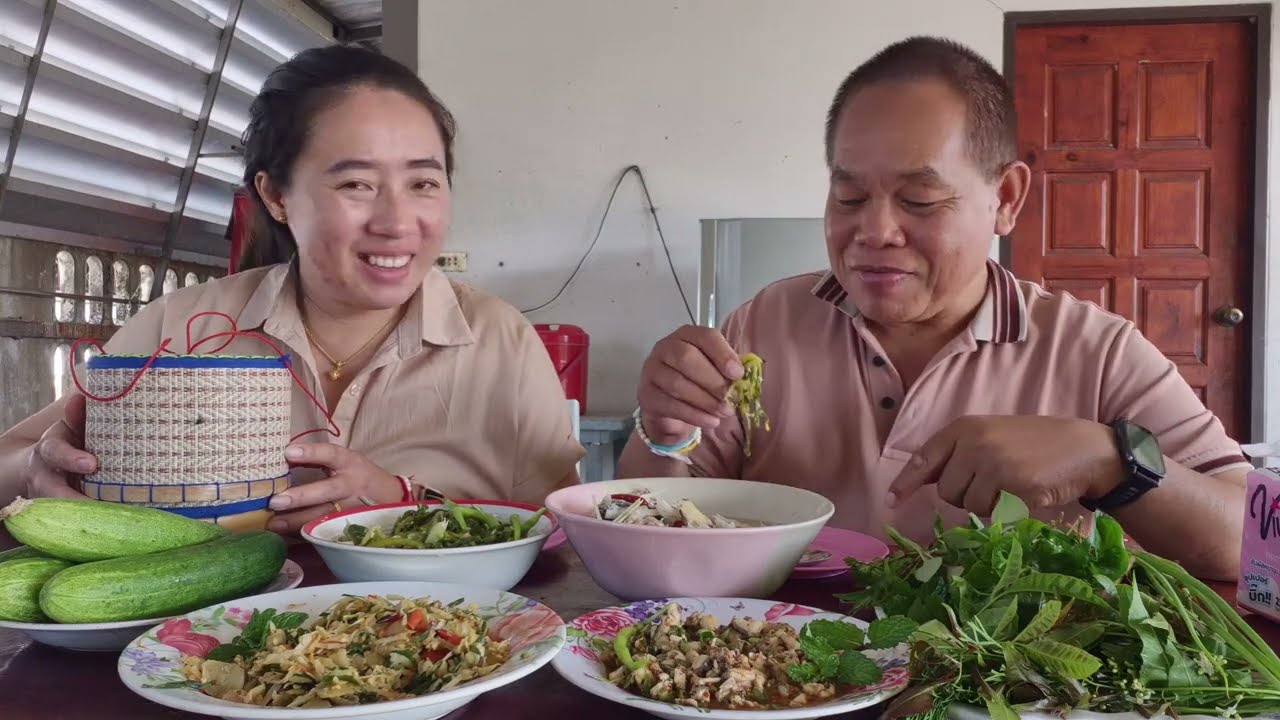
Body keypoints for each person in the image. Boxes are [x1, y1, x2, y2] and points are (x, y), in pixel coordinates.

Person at [618, 36, 1248, 581]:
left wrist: (1109, 461)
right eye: (849, 194)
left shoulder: (1095, 351)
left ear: (1005, 197)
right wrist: (662, 430)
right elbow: (647, 518)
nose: (874, 231)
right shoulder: (764, 322)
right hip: (780, 675)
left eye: (919, 200)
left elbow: (1254, 545)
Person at [0, 44, 584, 533]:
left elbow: (561, 530)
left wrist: (401, 502)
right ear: (276, 196)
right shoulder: (183, 326)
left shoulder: (498, 341)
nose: (397, 221)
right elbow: (17, 459)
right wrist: (36, 468)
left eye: (424, 182)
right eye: (356, 183)